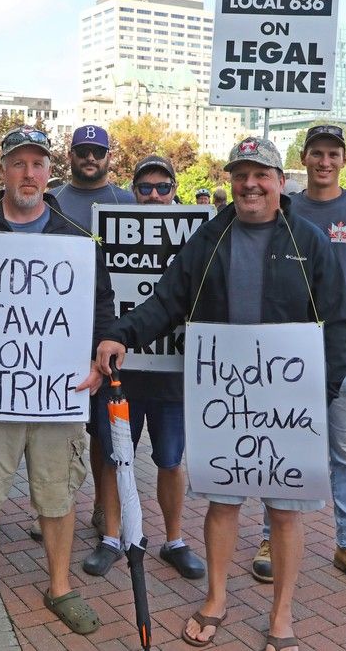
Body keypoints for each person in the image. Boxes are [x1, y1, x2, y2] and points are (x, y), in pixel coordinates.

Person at [93, 136, 346, 650]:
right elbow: (166, 301)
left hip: (288, 405)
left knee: (284, 512)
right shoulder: (210, 238)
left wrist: (318, 395)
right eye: (241, 174)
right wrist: (120, 334)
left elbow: (341, 323)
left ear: (281, 182)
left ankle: (281, 615)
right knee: (223, 505)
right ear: (231, 181)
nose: (251, 184)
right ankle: (216, 598)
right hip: (226, 399)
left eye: (262, 175)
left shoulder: (307, 241)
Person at [0, 126, 115, 642]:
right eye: (18, 163)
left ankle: (59, 587)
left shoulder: (76, 238)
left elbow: (101, 307)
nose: (28, 174)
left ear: (48, 171)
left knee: (57, 497)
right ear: (2, 171)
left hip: (59, 395)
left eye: (37, 164)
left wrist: (100, 356)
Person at [249, 124, 346, 595]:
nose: (324, 162)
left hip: (344, 359)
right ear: (304, 157)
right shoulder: (283, 207)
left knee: (345, 454)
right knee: (282, 449)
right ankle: (272, 539)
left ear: (344, 160)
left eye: (333, 154)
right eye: (317, 153)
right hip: (285, 360)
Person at [82, 155, 206, 581]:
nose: (154, 195)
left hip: (172, 373)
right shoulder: (105, 235)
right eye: (144, 187)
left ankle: (174, 540)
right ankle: (113, 538)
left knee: (171, 460)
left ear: (175, 191)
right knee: (117, 458)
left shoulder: (199, 237)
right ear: (131, 191)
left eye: (163, 187)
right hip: (123, 373)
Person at [50, 124, 134, 537]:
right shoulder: (53, 201)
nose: (89, 158)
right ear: (71, 155)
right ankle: (53, 507)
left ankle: (104, 507)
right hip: (55, 333)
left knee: (103, 431)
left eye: (96, 151)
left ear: (108, 156)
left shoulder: (128, 201)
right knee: (56, 430)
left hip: (108, 329)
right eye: (82, 151)